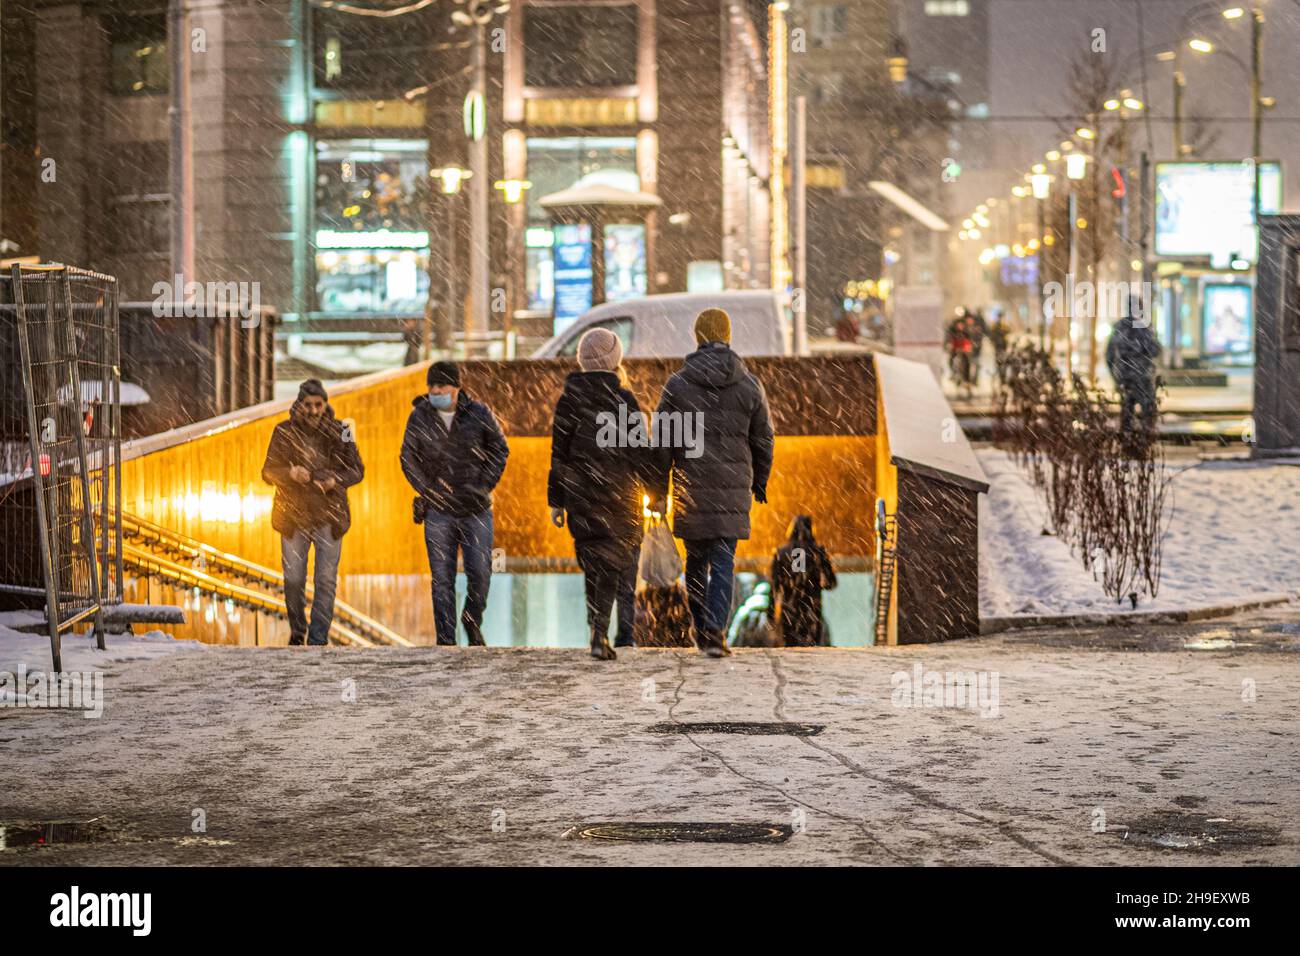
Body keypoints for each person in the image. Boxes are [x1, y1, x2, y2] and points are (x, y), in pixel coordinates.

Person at [652, 308, 774, 658]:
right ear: (728, 335)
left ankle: (701, 627)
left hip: (691, 488)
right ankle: (716, 631)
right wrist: (760, 481)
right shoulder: (749, 385)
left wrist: (659, 490)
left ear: (698, 337)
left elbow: (662, 441)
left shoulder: (677, 385)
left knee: (694, 562)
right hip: (733, 490)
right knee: (723, 561)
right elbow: (764, 438)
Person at [548, 328, 650, 660]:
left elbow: (559, 454)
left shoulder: (569, 400)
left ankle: (597, 629)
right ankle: (600, 634)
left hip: (580, 495)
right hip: (620, 498)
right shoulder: (624, 400)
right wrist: (655, 490)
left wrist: (557, 500)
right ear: (615, 360)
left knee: (594, 563)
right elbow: (639, 455)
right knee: (610, 563)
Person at [401, 361, 509, 646]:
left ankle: (472, 620)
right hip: (439, 512)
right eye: (432, 386)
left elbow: (500, 448)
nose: (435, 391)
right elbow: (407, 457)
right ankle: (446, 642)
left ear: (457, 388)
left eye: (441, 386)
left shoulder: (479, 413)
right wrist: (428, 490)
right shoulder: (419, 417)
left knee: (480, 573)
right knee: (442, 580)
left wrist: (484, 485)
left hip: (476, 509)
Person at [261, 379, 364, 646]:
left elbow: (357, 470)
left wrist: (334, 481)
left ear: (326, 404)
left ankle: (318, 639)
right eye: (308, 405)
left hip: (329, 516)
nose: (314, 410)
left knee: (325, 581)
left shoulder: (342, 430)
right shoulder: (283, 431)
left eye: (319, 404)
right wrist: (290, 474)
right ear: (299, 404)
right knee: (293, 579)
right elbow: (268, 472)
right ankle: (298, 629)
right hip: (293, 517)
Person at [768, 515, 837, 647]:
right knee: (810, 650)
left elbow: (774, 586)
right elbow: (831, 583)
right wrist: (817, 583)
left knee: (790, 649)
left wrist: (770, 612)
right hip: (811, 608)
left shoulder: (781, 553)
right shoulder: (818, 552)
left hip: (789, 609)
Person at [1106, 298, 1162, 435]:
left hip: (1125, 378)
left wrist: (1116, 375)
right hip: (1142, 377)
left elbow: (1109, 355)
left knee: (1126, 411)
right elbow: (1155, 350)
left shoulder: (1119, 327)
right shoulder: (1143, 327)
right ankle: (1144, 441)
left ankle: (1127, 442)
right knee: (1147, 411)